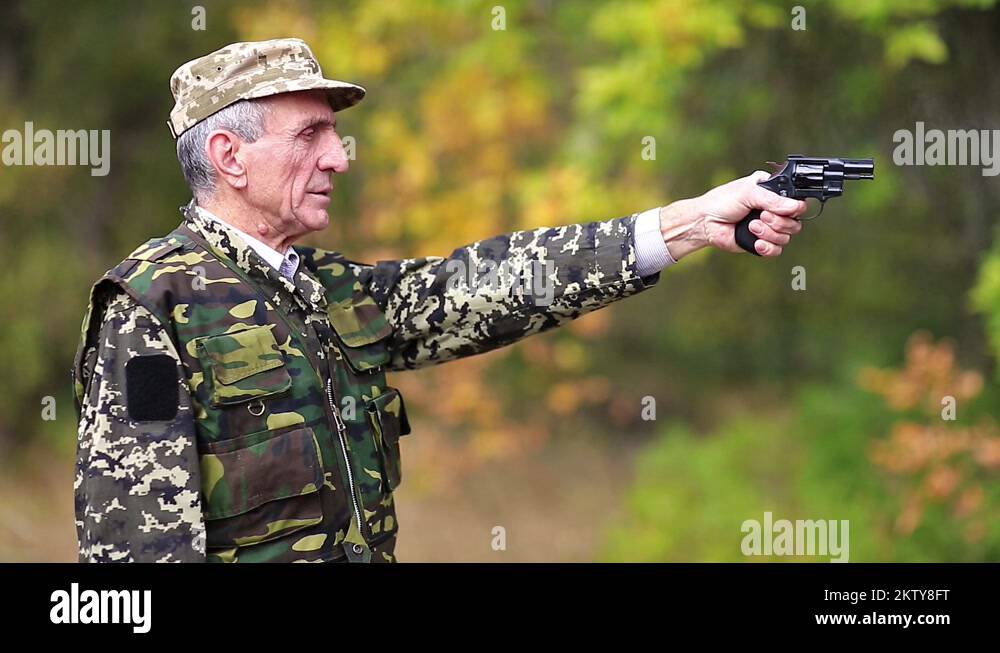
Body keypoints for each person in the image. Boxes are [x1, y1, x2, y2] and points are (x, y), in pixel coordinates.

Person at [72, 38, 806, 563]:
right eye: (311, 134)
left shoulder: (326, 287)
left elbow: (485, 285)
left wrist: (690, 223)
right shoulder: (150, 306)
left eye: (334, 132)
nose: (336, 155)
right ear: (230, 156)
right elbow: (136, 554)